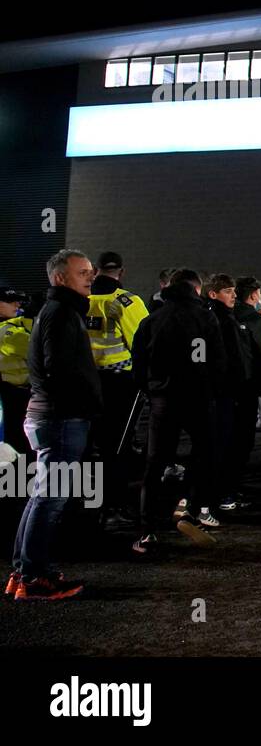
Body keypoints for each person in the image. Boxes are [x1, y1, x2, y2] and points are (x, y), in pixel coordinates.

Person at [7, 250, 100, 600]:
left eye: (90, 271)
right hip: (60, 418)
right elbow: (59, 368)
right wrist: (83, 403)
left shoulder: (57, 311)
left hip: (52, 416)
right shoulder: (62, 314)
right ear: (60, 278)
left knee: (42, 497)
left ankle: (23, 571)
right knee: (50, 498)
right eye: (82, 272)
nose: (90, 277)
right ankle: (33, 578)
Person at [130, 268, 225, 554]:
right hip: (198, 397)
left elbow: (138, 364)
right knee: (204, 454)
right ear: (197, 289)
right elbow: (218, 361)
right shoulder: (206, 317)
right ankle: (191, 508)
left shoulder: (152, 320)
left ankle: (147, 531)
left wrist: (152, 389)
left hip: (163, 399)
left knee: (155, 463)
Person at [85, 251, 149, 529]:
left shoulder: (81, 300)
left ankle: (88, 503)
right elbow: (144, 341)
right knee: (118, 447)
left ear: (96, 271)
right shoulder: (126, 301)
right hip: (119, 384)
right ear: (120, 272)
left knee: (87, 447)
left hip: (84, 383)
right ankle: (113, 507)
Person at [200, 273, 248, 529]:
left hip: (214, 394)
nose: (234, 295)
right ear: (213, 294)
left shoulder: (210, 317)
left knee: (213, 448)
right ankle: (212, 501)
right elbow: (231, 361)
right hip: (224, 395)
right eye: (228, 291)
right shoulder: (222, 320)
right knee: (220, 449)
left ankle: (208, 500)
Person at [223, 276, 261, 510]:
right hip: (246, 388)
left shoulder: (222, 316)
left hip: (223, 389)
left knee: (223, 440)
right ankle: (229, 492)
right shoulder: (254, 320)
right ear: (254, 295)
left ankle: (223, 491)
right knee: (242, 442)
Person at [0, 287, 34, 456]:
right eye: (9, 301)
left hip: (15, 393)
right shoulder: (6, 331)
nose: (16, 304)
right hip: (15, 394)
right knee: (21, 442)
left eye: (17, 300)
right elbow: (35, 348)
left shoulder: (13, 325)